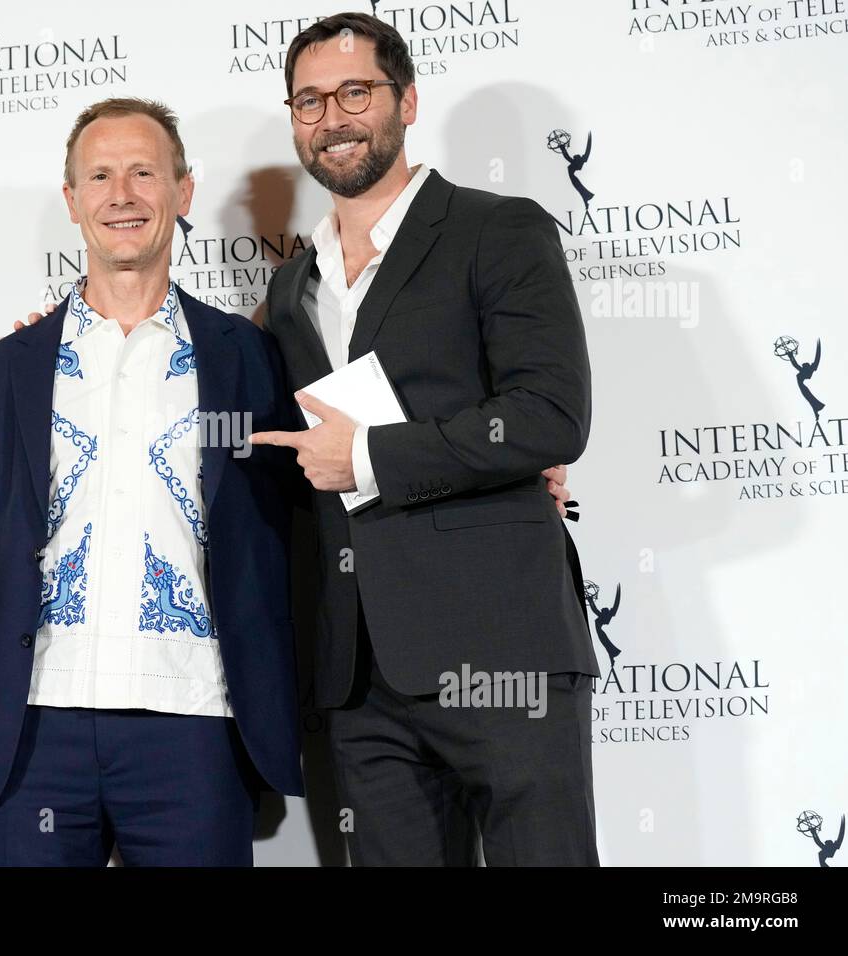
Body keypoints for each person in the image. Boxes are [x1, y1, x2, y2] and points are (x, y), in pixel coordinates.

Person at [0, 97, 304, 866]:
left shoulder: (251, 359)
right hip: (33, 731)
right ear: (72, 200)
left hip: (194, 725)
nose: (120, 194)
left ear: (183, 192)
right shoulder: (8, 370)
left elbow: (293, 520)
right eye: (98, 175)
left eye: (143, 172)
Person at [251, 12, 600, 865]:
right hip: (360, 678)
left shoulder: (498, 229)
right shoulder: (291, 285)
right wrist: (62, 339)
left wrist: (370, 457)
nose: (331, 117)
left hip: (505, 648)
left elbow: (553, 414)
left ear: (407, 102)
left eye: (354, 92)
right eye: (308, 101)